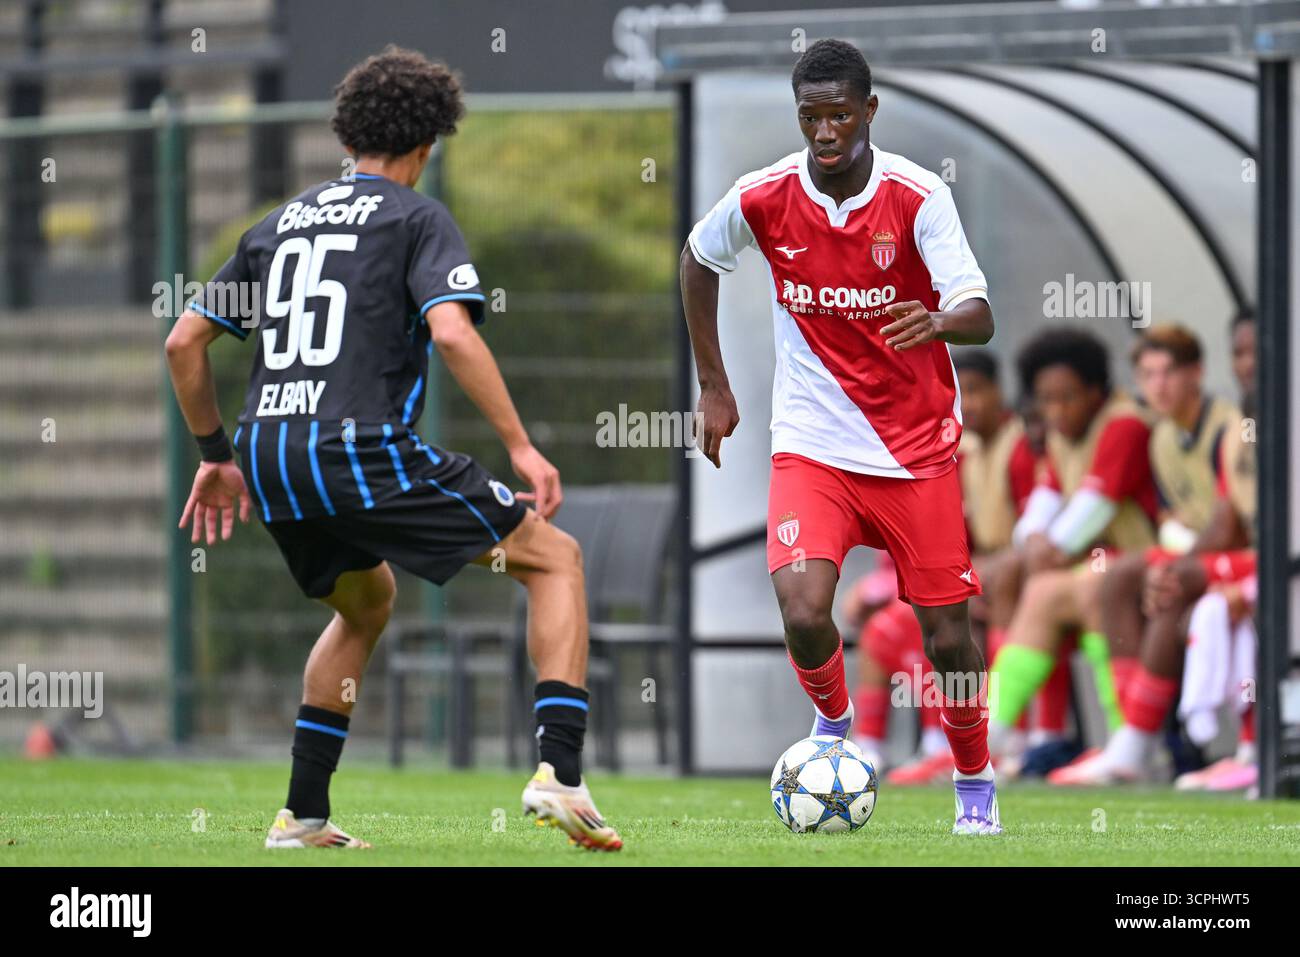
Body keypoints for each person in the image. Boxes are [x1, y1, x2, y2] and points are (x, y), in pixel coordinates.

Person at [163, 46, 621, 851]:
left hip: (270, 450)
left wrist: (214, 454)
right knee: (555, 560)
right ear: (427, 145)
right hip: (357, 446)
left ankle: (302, 815)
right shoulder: (416, 217)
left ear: (348, 137)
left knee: (367, 601)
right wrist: (522, 447)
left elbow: (183, 343)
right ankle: (561, 774)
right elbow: (451, 331)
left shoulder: (276, 224)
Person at [680, 39, 1000, 834]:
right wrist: (715, 385)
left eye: (839, 115)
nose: (825, 132)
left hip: (914, 448)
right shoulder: (765, 197)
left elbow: (981, 314)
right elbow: (695, 258)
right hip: (813, 442)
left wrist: (939, 319)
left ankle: (974, 780)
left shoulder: (918, 198)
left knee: (948, 638)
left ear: (868, 112)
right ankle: (833, 729)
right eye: (811, 117)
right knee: (802, 605)